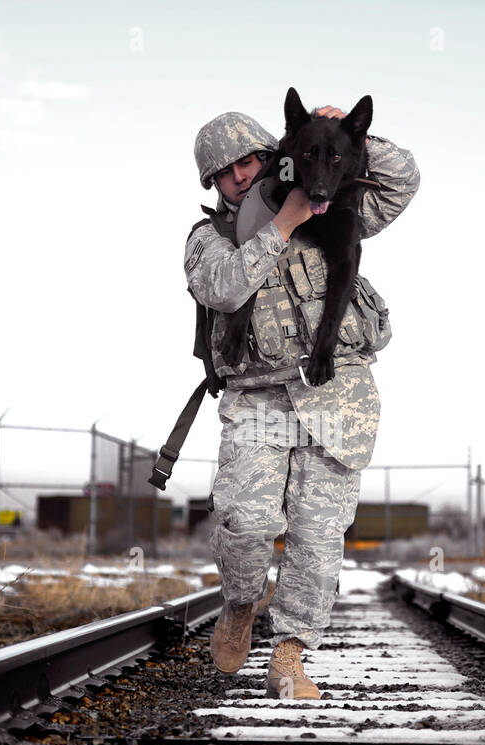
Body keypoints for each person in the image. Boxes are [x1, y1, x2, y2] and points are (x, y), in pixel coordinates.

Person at [184, 105, 419, 698]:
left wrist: (345, 130)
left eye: (249, 161)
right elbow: (223, 286)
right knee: (245, 522)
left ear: (275, 156)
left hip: (335, 394)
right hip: (256, 397)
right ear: (213, 183)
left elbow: (404, 178)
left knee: (318, 536)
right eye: (224, 172)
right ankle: (240, 603)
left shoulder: (339, 202)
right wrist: (281, 224)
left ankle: (289, 655)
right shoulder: (206, 238)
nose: (239, 176)